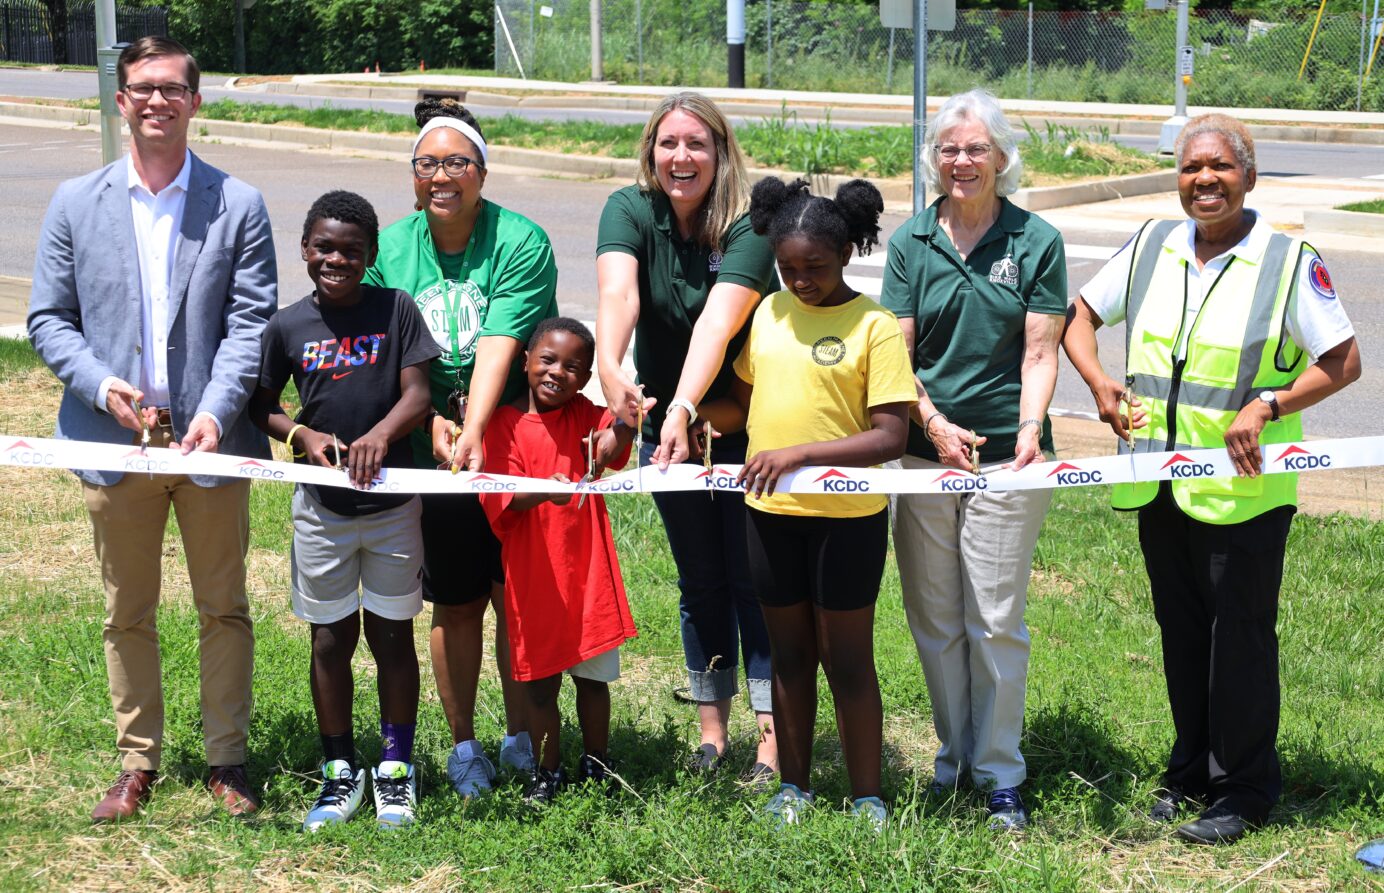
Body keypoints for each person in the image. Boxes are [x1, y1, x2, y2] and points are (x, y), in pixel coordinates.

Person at [1063, 113, 1360, 845]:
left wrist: (1269, 403)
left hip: (1245, 491)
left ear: (1249, 177)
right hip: (1160, 483)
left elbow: (1343, 360)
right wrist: (1100, 384)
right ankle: (1190, 770)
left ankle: (1244, 790)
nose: (1204, 180)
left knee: (1241, 641)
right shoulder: (1152, 246)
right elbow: (1079, 317)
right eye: (1193, 167)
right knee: (1183, 635)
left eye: (1221, 168)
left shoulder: (1288, 261)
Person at [26, 36, 277, 822]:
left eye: (173, 88)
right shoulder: (75, 202)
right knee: (125, 610)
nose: (157, 100)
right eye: (143, 88)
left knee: (223, 607)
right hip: (113, 440)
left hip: (212, 440)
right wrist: (102, 388)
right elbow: (47, 317)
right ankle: (137, 763)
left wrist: (213, 411)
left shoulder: (239, 203)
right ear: (120, 100)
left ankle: (227, 759)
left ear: (196, 102)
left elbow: (249, 322)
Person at [699, 177, 915, 827]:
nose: (799, 280)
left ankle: (869, 796)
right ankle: (794, 787)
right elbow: (738, 406)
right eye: (787, 268)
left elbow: (889, 434)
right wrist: (686, 416)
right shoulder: (768, 314)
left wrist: (798, 455)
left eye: (814, 267)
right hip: (771, 517)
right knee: (789, 657)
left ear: (847, 251)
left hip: (847, 522)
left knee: (847, 659)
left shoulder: (873, 325)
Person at [879, 88, 1067, 831]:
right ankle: (952, 761)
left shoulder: (1036, 240)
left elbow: (1042, 349)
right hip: (927, 456)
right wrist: (933, 423)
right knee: (934, 617)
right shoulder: (910, 242)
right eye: (950, 149)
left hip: (1009, 459)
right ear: (935, 159)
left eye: (977, 149)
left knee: (994, 618)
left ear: (1001, 157)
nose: (963, 161)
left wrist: (1029, 427)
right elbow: (896, 355)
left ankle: (1000, 776)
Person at [364, 98, 558, 798]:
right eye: (427, 164)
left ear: (482, 170)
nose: (441, 176)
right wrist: (429, 430)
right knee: (455, 599)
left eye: (456, 163)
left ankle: (520, 736)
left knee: (517, 596)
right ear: (412, 175)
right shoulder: (389, 249)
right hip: (431, 444)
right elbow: (389, 358)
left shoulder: (520, 239)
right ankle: (465, 745)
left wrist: (472, 428)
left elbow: (502, 344)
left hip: (509, 437)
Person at [595, 92, 779, 781]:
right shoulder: (630, 209)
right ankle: (713, 738)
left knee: (752, 580)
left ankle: (771, 741)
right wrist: (611, 368)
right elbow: (619, 296)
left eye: (696, 144)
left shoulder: (750, 222)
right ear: (650, 151)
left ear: (721, 152)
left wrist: (682, 407)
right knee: (700, 580)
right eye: (668, 143)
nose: (681, 157)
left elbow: (717, 324)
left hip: (745, 423)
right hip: (668, 430)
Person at [249, 191, 438, 830]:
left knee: (392, 634)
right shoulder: (287, 325)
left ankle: (394, 766)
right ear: (305, 250)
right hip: (321, 509)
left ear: (371, 256)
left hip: (392, 507)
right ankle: (338, 771)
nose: (337, 259)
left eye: (351, 251)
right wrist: (297, 435)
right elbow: (263, 403)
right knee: (330, 637)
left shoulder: (395, 310)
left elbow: (418, 393)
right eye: (325, 248)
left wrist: (383, 434)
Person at [480, 317, 645, 804]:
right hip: (535, 579)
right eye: (548, 360)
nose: (558, 373)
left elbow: (614, 447)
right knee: (538, 688)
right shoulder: (503, 426)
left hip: (587, 575)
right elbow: (501, 500)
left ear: (587, 376)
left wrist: (626, 422)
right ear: (526, 360)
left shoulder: (586, 416)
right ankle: (546, 772)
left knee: (593, 682)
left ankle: (597, 763)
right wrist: (541, 492)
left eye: (574, 367)